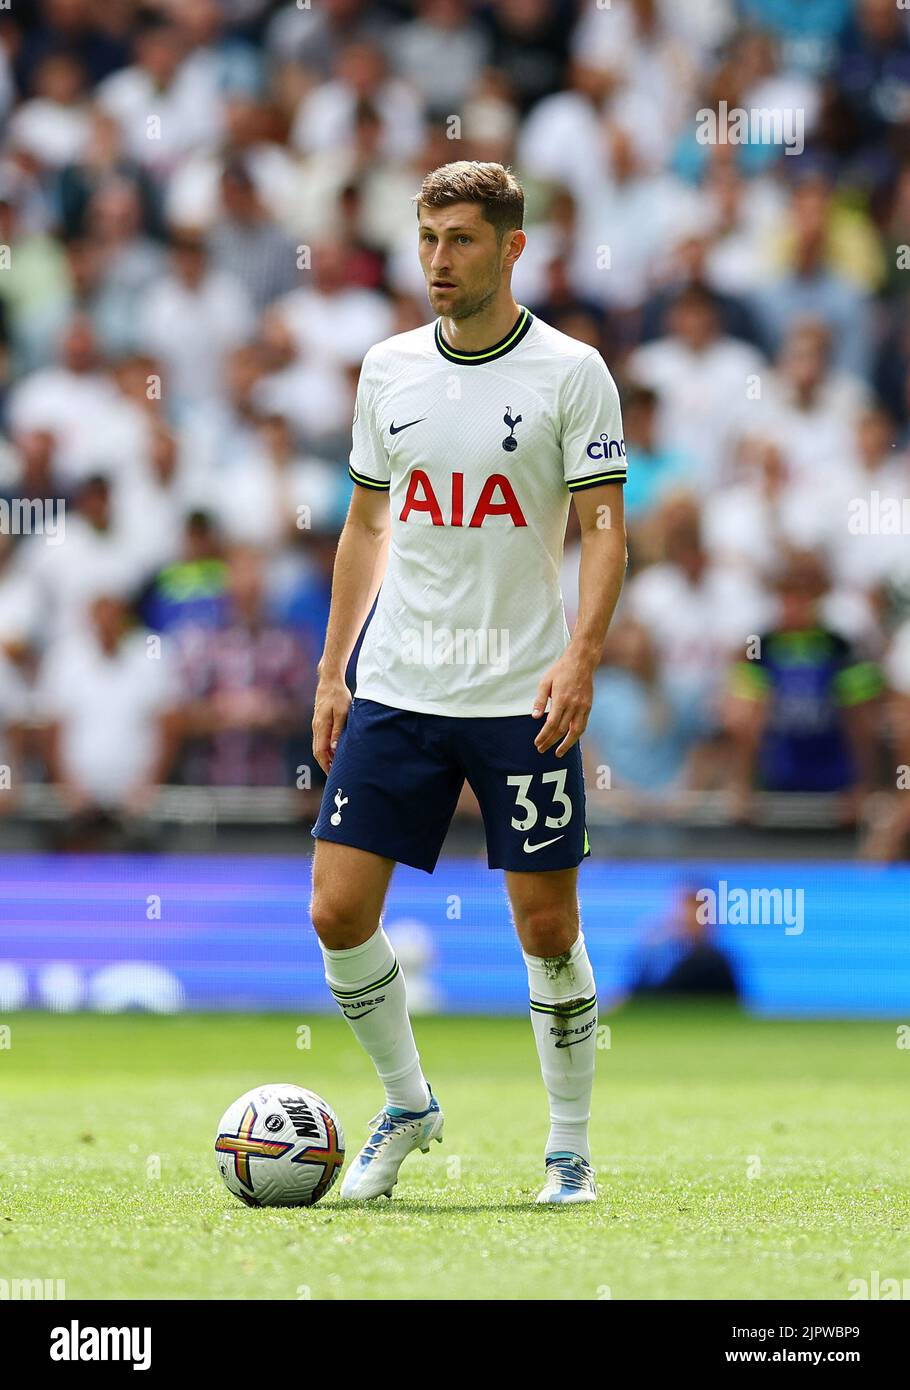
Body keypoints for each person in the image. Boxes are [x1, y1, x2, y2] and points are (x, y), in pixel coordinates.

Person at [309, 161, 628, 1206]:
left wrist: (579, 657)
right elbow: (364, 525)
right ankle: (408, 1101)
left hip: (516, 694)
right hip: (399, 684)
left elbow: (602, 528)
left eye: (461, 240)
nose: (439, 261)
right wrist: (332, 669)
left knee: (546, 929)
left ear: (511, 248)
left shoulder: (570, 371)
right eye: (428, 238)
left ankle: (568, 1147)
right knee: (336, 911)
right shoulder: (386, 368)